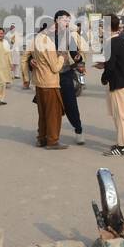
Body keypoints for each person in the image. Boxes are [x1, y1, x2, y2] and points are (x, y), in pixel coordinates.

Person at [96, 14, 124, 157]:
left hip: (117, 84)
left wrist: (104, 77)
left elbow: (111, 67)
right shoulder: (121, 40)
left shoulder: (110, 43)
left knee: (120, 116)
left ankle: (122, 146)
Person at [28, 17, 67, 149]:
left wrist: (30, 61)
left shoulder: (36, 39)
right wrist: (62, 57)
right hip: (50, 83)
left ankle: (42, 138)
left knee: (43, 113)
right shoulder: (48, 43)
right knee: (53, 114)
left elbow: (28, 56)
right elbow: (55, 67)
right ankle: (53, 140)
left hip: (39, 83)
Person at [52, 10, 89, 144]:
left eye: (68, 21)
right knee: (49, 106)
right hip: (50, 76)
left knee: (71, 104)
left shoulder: (68, 36)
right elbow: (35, 53)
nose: (66, 23)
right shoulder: (46, 36)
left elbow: (74, 53)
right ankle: (47, 134)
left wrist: (80, 62)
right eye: (63, 20)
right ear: (56, 20)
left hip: (65, 74)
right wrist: (31, 62)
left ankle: (78, 130)